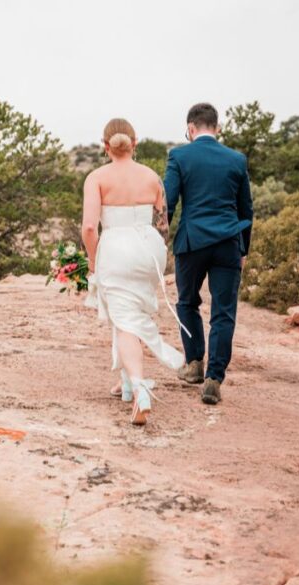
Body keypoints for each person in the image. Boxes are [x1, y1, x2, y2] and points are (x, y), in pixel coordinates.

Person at [82, 118, 186, 426]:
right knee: (131, 312)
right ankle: (126, 383)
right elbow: (163, 224)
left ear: (105, 146)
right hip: (149, 249)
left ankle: (140, 388)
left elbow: (89, 228)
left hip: (116, 249)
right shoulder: (152, 177)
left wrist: (93, 260)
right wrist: (157, 255)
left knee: (125, 319)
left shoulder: (97, 177)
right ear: (134, 142)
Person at [164, 103, 253, 405]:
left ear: (190, 129)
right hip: (228, 242)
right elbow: (246, 210)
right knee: (223, 312)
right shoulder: (236, 159)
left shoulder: (179, 156)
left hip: (192, 242)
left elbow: (169, 203)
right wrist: (243, 249)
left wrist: (159, 237)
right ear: (217, 128)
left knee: (187, 302)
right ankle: (214, 379)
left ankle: (193, 365)